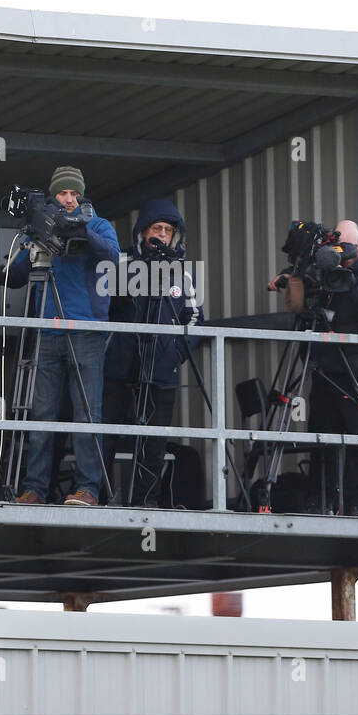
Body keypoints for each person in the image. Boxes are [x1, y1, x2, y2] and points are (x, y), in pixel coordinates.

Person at [3, 166, 120, 506]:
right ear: (53, 196)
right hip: (47, 331)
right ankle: (34, 489)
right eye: (62, 194)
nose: (68, 200)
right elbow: (19, 272)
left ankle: (89, 490)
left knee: (86, 413)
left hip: (86, 330)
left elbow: (112, 256)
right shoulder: (43, 228)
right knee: (42, 414)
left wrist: (80, 229)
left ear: (81, 196)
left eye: (73, 194)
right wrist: (7, 265)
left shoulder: (98, 225)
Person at [270, 220, 358, 517]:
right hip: (328, 363)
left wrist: (351, 280)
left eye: (347, 252)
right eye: (336, 251)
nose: (341, 257)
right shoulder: (325, 259)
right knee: (321, 433)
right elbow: (306, 289)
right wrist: (291, 276)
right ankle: (321, 500)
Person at [101, 199, 203, 507]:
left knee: (153, 442)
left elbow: (195, 319)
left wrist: (175, 354)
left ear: (175, 236)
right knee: (104, 435)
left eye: (168, 230)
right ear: (142, 233)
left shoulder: (183, 274)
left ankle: (146, 501)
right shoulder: (120, 264)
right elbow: (102, 308)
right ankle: (100, 497)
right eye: (156, 229)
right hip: (119, 369)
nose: (161, 235)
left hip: (161, 371)